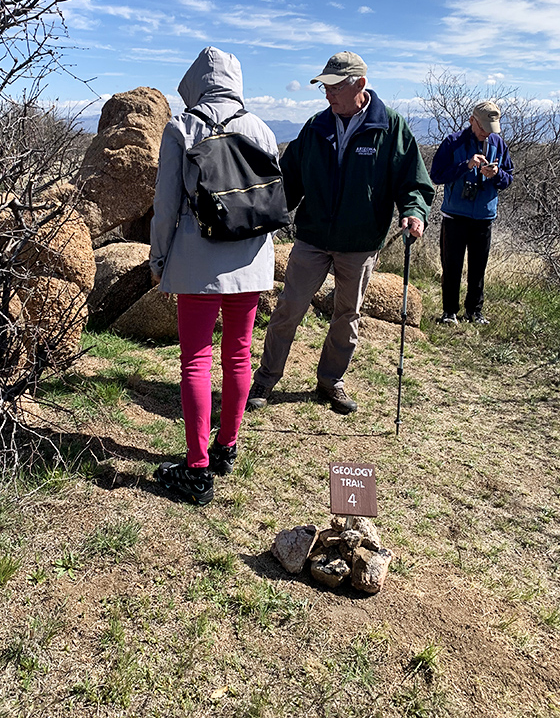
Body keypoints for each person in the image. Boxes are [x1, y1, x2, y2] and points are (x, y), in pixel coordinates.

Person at [247, 51, 434, 415]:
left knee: (347, 315)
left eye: (334, 87)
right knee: (289, 308)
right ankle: (266, 378)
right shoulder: (317, 126)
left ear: (359, 85)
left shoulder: (389, 127)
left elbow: (412, 180)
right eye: (325, 87)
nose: (328, 95)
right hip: (313, 236)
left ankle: (331, 381)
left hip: (360, 242)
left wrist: (414, 211)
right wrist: (262, 215)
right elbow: (289, 178)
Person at [149, 46, 279, 505]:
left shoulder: (181, 128)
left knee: (196, 360)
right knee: (239, 356)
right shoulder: (260, 128)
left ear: (196, 81)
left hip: (198, 259)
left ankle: (197, 468)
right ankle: (226, 447)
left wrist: (159, 258)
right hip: (250, 259)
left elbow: (166, 206)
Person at [430, 101, 513, 325]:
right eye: (483, 127)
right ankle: (449, 312)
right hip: (455, 215)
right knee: (452, 265)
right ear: (472, 121)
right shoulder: (453, 142)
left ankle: (474, 312)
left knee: (478, 267)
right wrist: (466, 166)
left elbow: (508, 178)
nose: (487, 133)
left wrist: (495, 174)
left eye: (491, 128)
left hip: (484, 216)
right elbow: (436, 175)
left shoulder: (498, 143)